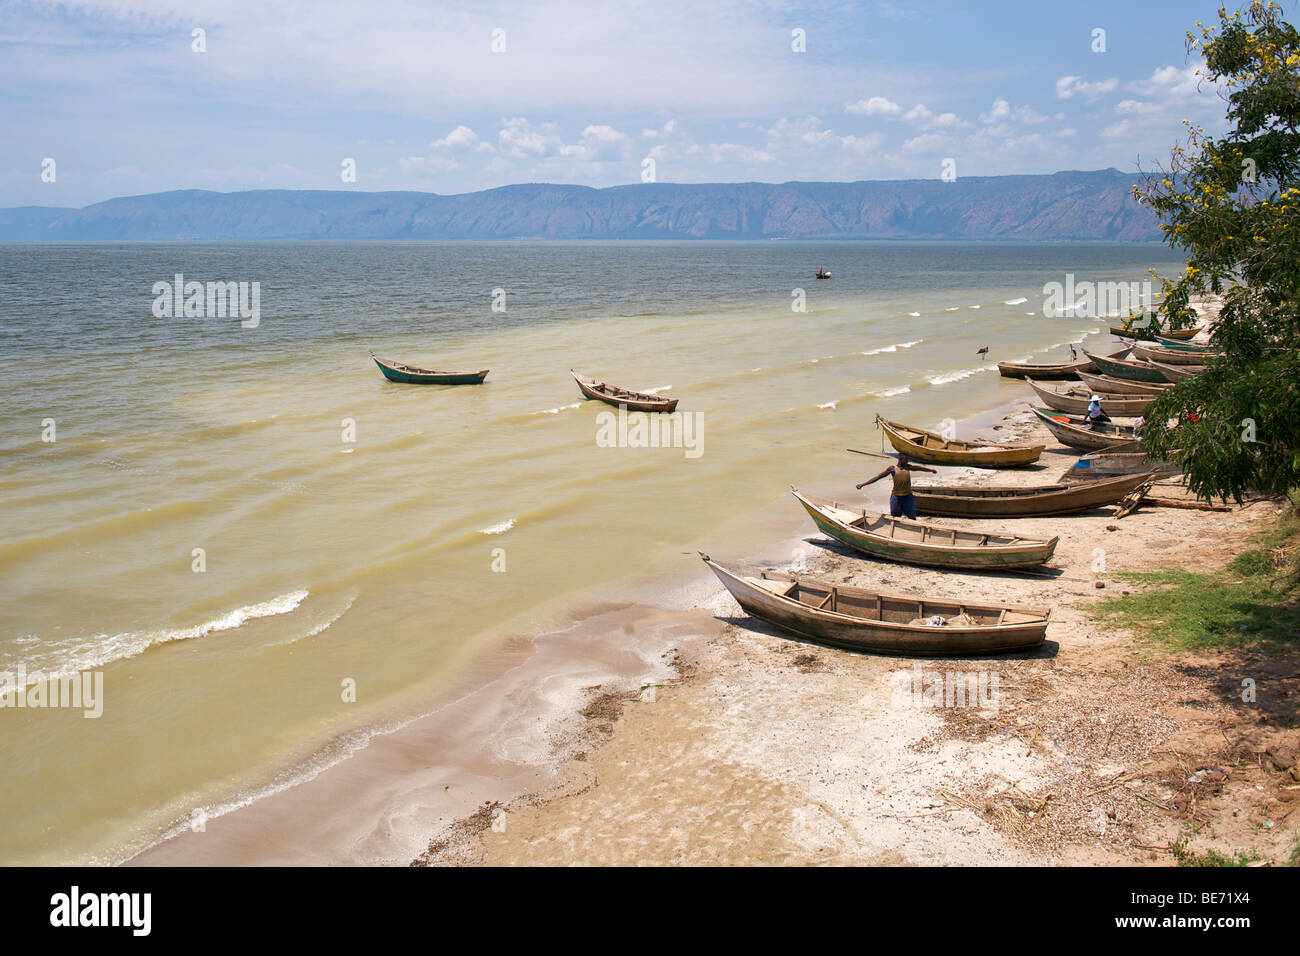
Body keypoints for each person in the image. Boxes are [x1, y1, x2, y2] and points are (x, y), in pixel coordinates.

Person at [856, 452, 936, 519]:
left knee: (912, 516)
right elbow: (878, 477)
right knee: (895, 517)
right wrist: (863, 484)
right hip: (896, 497)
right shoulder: (892, 469)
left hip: (908, 497)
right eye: (906, 460)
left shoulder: (908, 467)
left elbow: (920, 468)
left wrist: (931, 470)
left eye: (907, 460)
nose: (907, 461)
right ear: (900, 460)